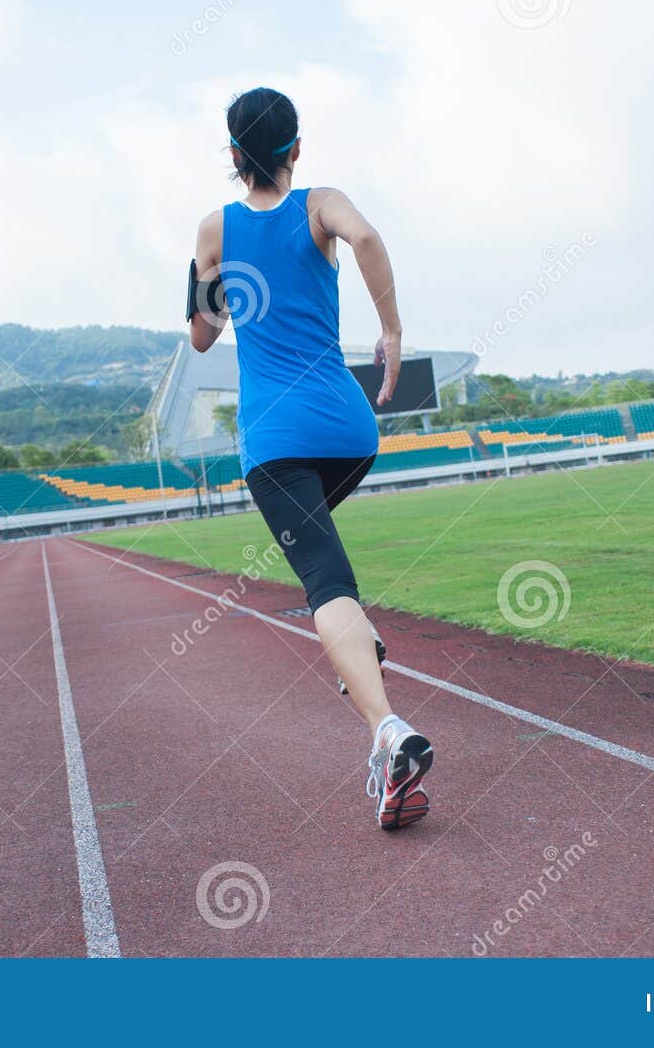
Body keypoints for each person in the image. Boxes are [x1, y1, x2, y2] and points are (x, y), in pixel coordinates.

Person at [187, 86, 433, 831]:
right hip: (350, 432)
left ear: (234, 157)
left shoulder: (214, 230)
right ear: (297, 148)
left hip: (276, 441)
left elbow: (201, 334)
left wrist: (228, 282)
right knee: (330, 569)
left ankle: (388, 731)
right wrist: (390, 330)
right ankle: (358, 635)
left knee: (324, 581)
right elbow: (367, 238)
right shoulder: (322, 203)